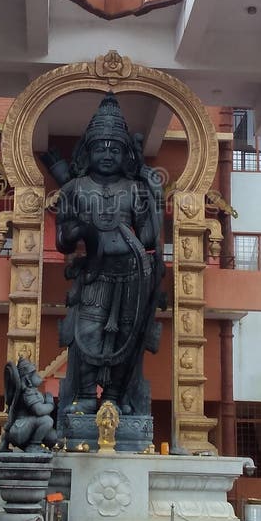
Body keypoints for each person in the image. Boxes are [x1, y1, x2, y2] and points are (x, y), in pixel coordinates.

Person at [45, 93, 165, 418]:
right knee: (88, 332)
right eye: (101, 147)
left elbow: (150, 237)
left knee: (127, 335)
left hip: (132, 273)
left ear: (126, 154)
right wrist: (80, 230)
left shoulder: (135, 189)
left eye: (115, 148)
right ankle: (85, 396)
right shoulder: (75, 189)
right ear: (88, 151)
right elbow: (62, 242)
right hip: (95, 272)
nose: (108, 154)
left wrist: (156, 198)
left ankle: (113, 396)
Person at [0, 357, 57, 453]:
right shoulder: (27, 393)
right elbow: (38, 410)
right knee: (47, 420)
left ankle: (5, 442)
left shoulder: (30, 391)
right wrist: (50, 404)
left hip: (20, 429)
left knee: (52, 438)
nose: (38, 376)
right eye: (35, 374)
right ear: (28, 378)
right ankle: (34, 445)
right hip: (22, 430)